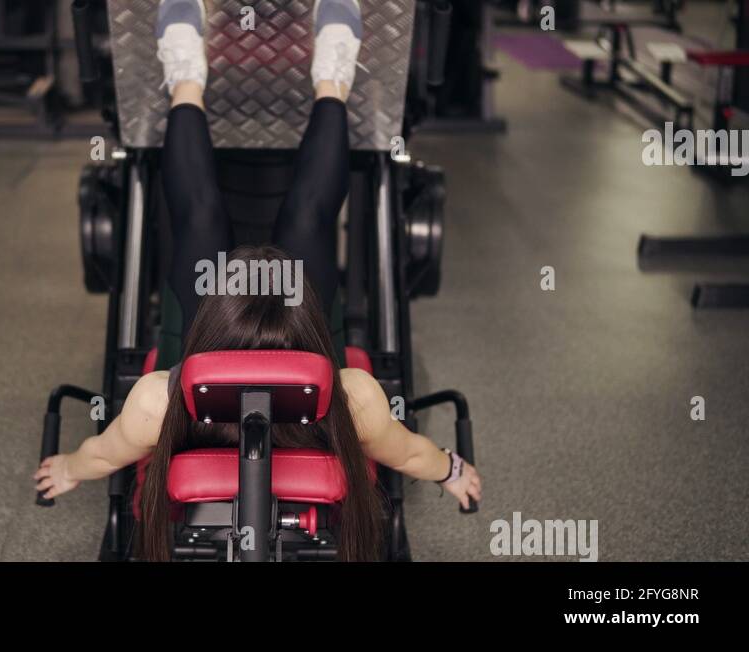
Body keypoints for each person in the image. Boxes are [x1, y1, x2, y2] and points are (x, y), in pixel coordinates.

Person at [34, 0, 482, 561]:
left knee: (212, 217)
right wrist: (455, 471)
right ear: (309, 328)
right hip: (268, 328)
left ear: (212, 323)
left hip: (232, 326)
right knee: (304, 218)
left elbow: (100, 456)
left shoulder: (156, 400)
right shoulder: (358, 399)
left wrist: (67, 468)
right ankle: (327, 70)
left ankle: (195, 72)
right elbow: (417, 457)